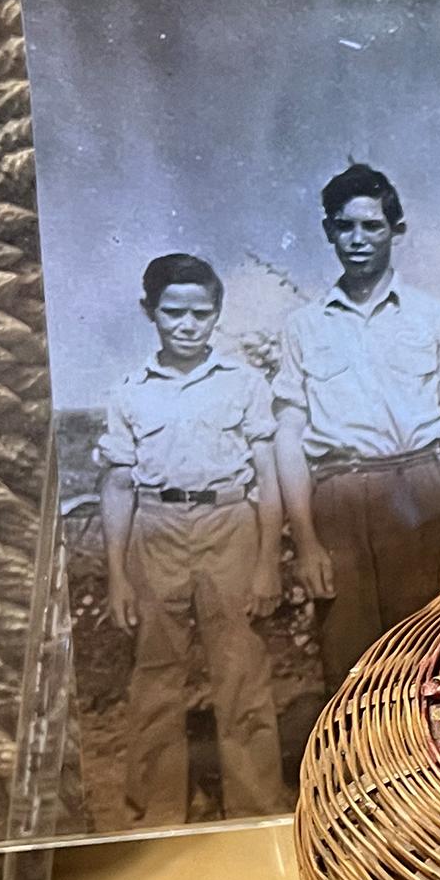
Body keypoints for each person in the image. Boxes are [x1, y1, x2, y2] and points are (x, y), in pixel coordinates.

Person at [274, 163, 440, 689]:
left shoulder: (435, 320)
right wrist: (305, 540)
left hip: (418, 493)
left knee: (432, 655)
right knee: (347, 664)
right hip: (336, 499)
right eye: (345, 226)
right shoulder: (302, 327)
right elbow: (287, 437)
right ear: (329, 232)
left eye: (372, 226)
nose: (358, 239)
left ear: (396, 230)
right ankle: (353, 771)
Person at [98, 253, 286, 823]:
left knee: (242, 674)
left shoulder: (245, 384)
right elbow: (117, 486)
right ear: (149, 312)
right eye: (172, 312)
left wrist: (267, 564)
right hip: (155, 531)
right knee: (156, 676)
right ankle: (154, 818)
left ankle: (255, 812)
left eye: (201, 313)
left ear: (217, 313)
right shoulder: (129, 392)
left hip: (230, 526)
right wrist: (116, 577)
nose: (187, 324)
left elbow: (269, 477)